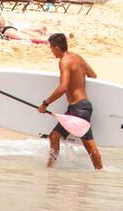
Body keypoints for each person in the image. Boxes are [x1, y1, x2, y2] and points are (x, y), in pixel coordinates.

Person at [38, 33, 103, 171]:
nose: (51, 51)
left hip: (79, 109)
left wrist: (45, 104)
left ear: (56, 47)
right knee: (54, 136)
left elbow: (63, 87)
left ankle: (100, 172)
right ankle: (50, 168)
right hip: (77, 107)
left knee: (89, 145)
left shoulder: (64, 61)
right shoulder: (77, 58)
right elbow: (93, 75)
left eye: (51, 48)